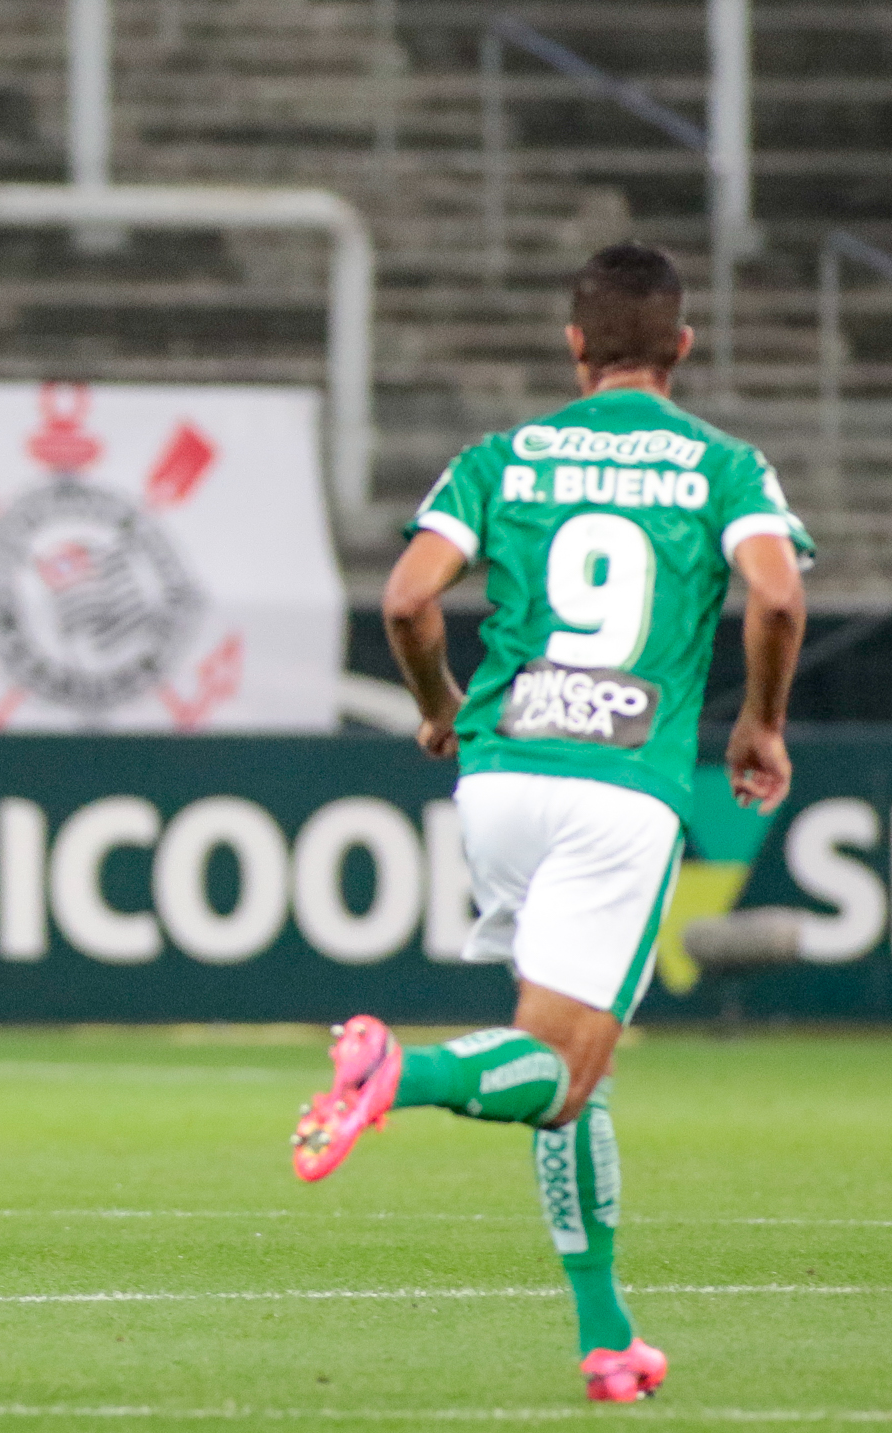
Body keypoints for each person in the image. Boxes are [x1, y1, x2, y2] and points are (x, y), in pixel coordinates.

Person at [290, 243, 810, 1402]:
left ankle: (604, 1332)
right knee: (563, 1071)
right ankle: (398, 1072)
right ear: (679, 346)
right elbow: (775, 593)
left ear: (572, 345)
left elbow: (407, 597)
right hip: (617, 790)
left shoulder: (501, 457)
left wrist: (438, 711)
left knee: (567, 1069)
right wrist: (760, 724)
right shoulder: (721, 465)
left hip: (499, 780)